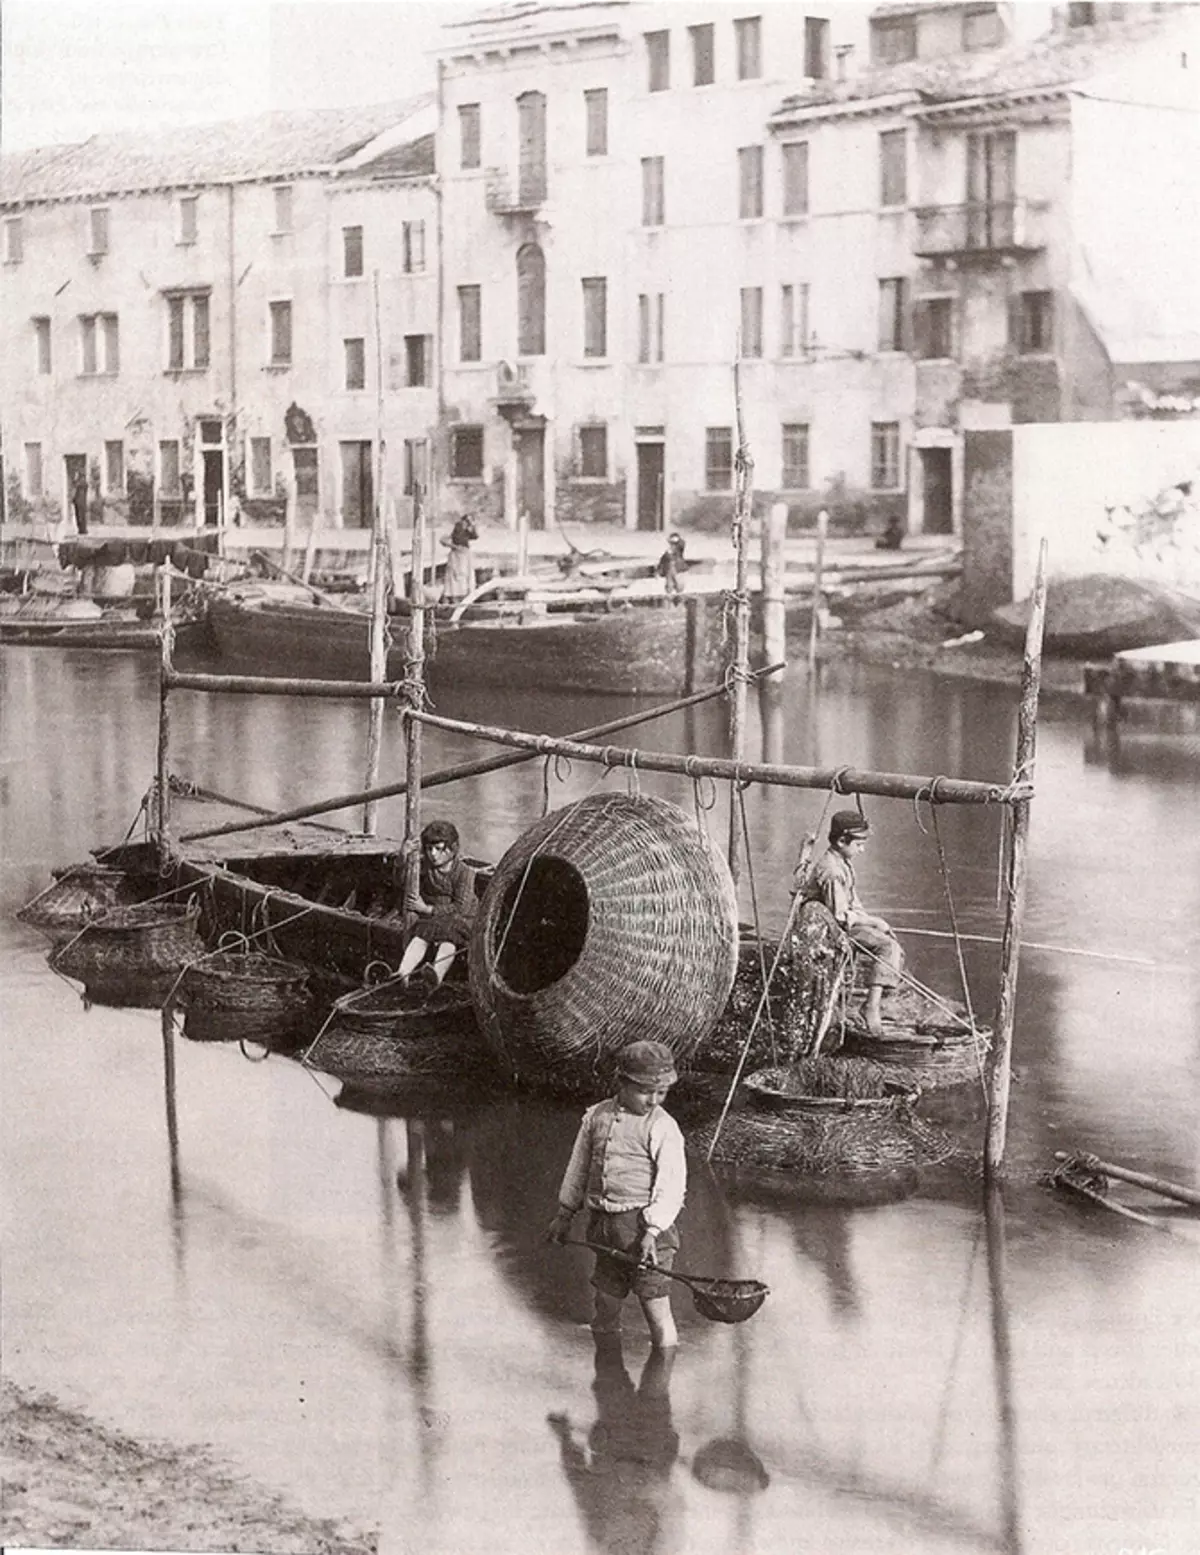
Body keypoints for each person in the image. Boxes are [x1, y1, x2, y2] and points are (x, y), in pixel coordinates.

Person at [547, 1040, 686, 1350]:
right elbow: (578, 1169)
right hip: (605, 1231)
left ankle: (659, 1386)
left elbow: (672, 1186)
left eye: (660, 1092)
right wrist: (564, 1214)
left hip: (645, 1233)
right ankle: (609, 1381)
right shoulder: (595, 1117)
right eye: (644, 1091)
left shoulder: (663, 1127)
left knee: (655, 1307)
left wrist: (652, 1230)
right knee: (606, 1304)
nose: (653, 1100)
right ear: (621, 1082)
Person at [798, 809, 904, 1037]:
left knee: (887, 939)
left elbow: (853, 905)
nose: (862, 849)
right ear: (841, 841)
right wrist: (874, 922)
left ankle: (865, 1003)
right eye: (859, 844)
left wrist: (873, 924)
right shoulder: (832, 870)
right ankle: (871, 1006)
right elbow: (840, 915)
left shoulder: (842, 861)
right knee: (888, 947)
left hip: (840, 926)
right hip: (828, 933)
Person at [395, 820, 476, 991]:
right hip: (435, 921)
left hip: (462, 920)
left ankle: (436, 976)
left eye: (439, 849)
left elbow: (461, 907)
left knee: (449, 939)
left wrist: (427, 909)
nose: (433, 854)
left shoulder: (465, 873)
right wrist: (403, 857)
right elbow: (400, 882)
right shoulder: (424, 867)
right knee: (421, 936)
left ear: (452, 849)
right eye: (429, 849)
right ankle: (403, 973)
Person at [441, 514, 478, 603]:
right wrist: (455, 546)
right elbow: (443, 540)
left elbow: (475, 536)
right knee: (457, 576)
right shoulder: (458, 527)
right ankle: (454, 599)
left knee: (465, 576)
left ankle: (464, 598)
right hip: (457, 555)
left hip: (465, 555)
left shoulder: (468, 528)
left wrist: (473, 525)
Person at [655, 532, 686, 597]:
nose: (672, 546)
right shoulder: (666, 554)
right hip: (670, 571)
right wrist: (658, 571)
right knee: (670, 587)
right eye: (671, 544)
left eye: (674, 544)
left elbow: (682, 545)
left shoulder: (679, 551)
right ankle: (671, 595)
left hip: (677, 570)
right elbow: (662, 562)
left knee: (679, 587)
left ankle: (677, 596)